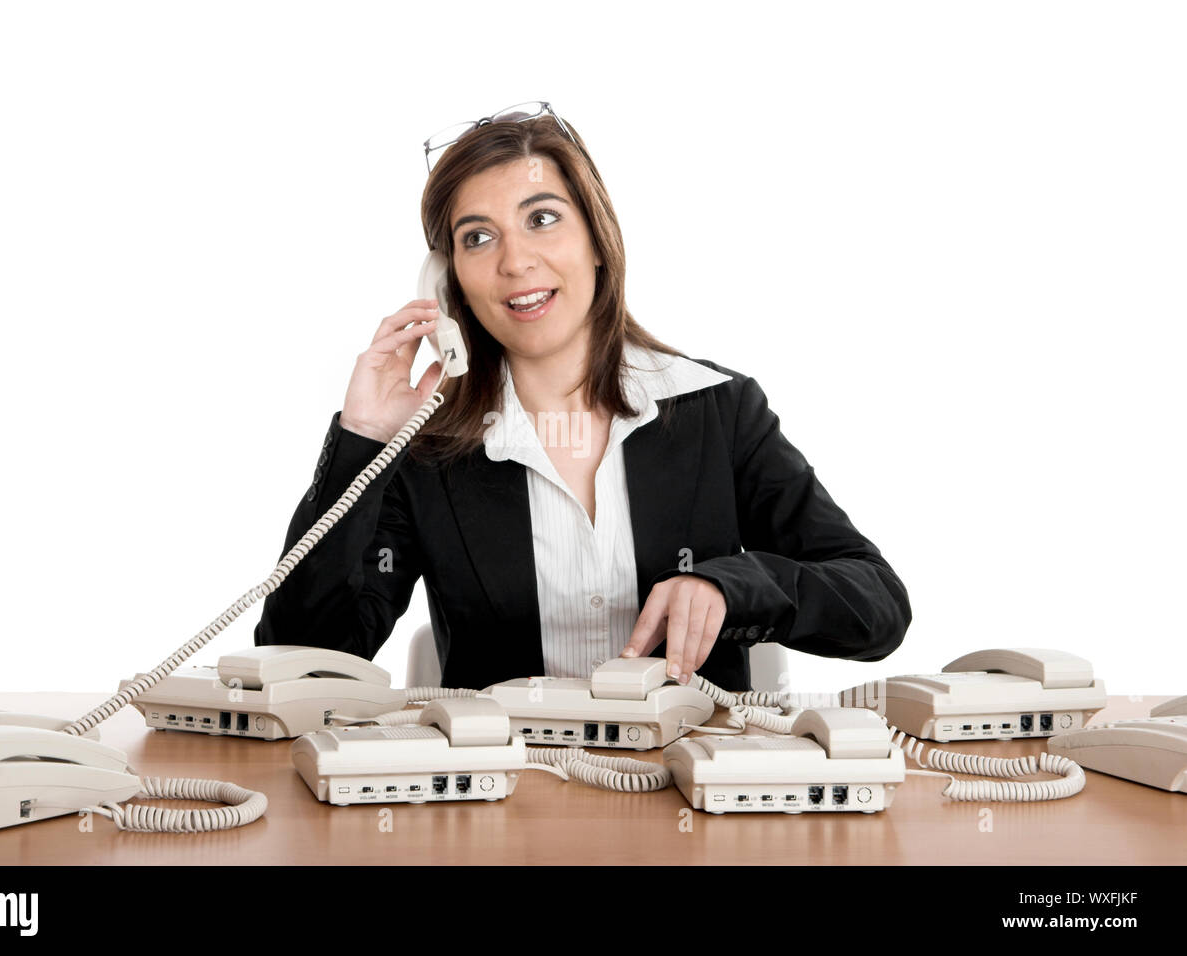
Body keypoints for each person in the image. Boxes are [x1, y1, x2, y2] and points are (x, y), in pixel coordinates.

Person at [254, 102, 911, 692]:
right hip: (501, 785)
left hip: (689, 779)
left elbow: (876, 606)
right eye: (478, 237)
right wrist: (363, 441)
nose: (515, 262)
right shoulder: (426, 448)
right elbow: (306, 662)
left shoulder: (718, 409)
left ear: (597, 240)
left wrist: (729, 585)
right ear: (450, 282)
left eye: (542, 219)